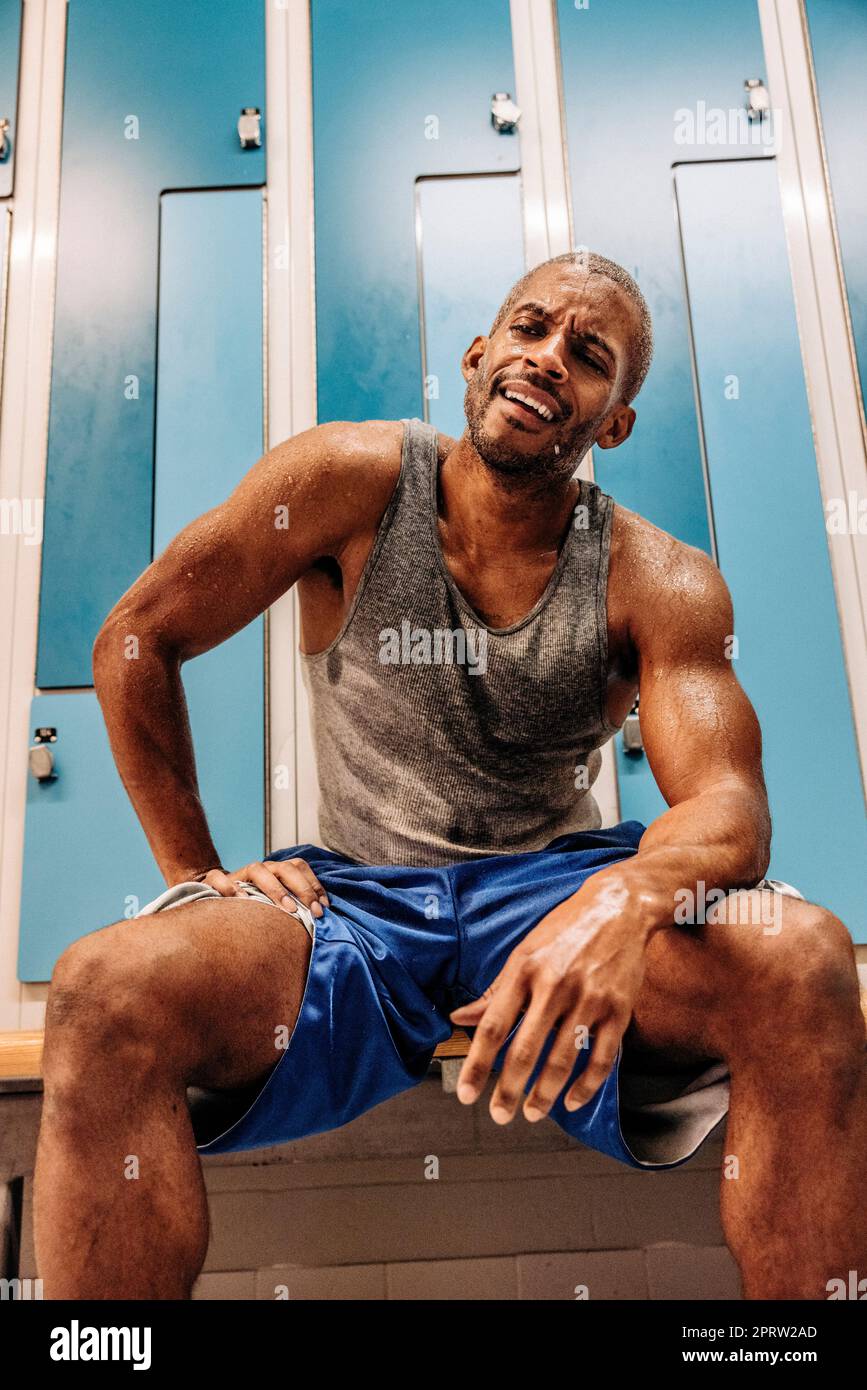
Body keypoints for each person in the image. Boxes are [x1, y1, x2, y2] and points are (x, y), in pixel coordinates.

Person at [33, 251, 867, 1300]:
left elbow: (730, 807)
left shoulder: (661, 579)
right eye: (530, 328)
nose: (549, 357)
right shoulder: (342, 483)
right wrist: (197, 872)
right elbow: (136, 641)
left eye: (589, 355)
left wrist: (623, 896)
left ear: (612, 425)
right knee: (104, 989)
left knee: (802, 960)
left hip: (554, 891)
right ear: (479, 357)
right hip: (354, 904)